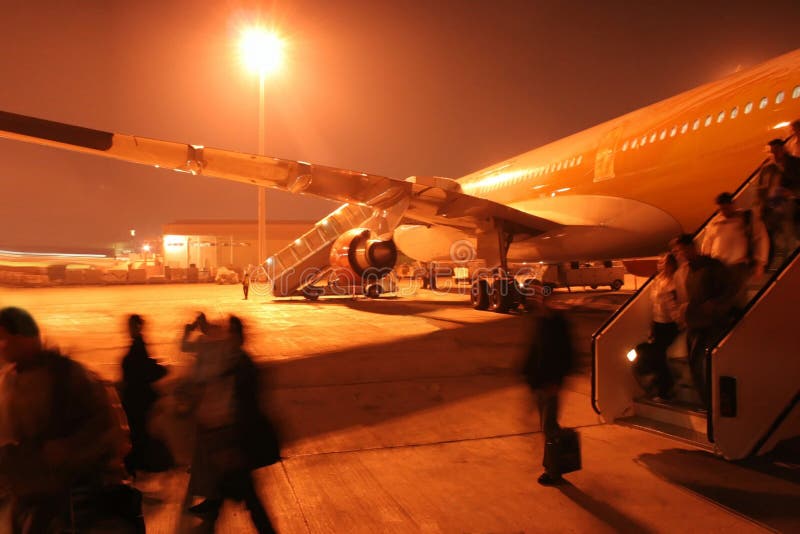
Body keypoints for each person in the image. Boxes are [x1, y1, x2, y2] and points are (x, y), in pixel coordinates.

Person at [0, 307, 144, 532]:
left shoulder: (68, 376)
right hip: (32, 501)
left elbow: (107, 429)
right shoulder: (9, 381)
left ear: (26, 338)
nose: (2, 347)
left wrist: (60, 452)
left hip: (76, 501)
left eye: (5, 339)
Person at [186, 316, 278, 533]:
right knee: (236, 490)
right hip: (233, 440)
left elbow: (245, 408)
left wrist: (232, 445)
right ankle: (211, 511)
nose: (226, 337)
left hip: (238, 442)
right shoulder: (235, 360)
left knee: (248, 497)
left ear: (237, 336)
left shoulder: (242, 364)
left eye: (230, 333)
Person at [671, 235, 736, 408]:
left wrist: (715, 305)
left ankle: (712, 403)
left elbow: (730, 289)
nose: (679, 254)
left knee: (703, 364)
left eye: (681, 250)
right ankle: (708, 402)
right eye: (676, 252)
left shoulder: (713, 267)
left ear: (692, 247)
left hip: (711, 324)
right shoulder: (685, 272)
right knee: (695, 364)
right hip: (693, 323)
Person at [522, 295, 574, 486]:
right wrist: (526, 375)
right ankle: (553, 465)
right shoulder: (541, 321)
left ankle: (554, 472)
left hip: (550, 384)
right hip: (538, 382)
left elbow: (566, 354)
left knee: (550, 428)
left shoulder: (557, 323)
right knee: (549, 428)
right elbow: (534, 351)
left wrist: (557, 381)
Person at [120, 314, 172, 477]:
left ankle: (136, 466)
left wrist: (158, 369)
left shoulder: (138, 346)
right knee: (139, 432)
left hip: (137, 398)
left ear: (137, 327)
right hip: (138, 397)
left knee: (138, 432)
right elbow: (146, 368)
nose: (128, 329)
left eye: (131, 326)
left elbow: (141, 369)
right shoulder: (139, 345)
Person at [700, 192, 769, 309]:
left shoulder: (746, 218)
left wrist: (760, 262)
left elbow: (760, 238)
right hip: (719, 267)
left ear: (733, 204)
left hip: (738, 266)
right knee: (721, 297)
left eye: (726, 208)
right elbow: (707, 245)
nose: (724, 211)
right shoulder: (714, 223)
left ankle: (739, 317)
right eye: (721, 209)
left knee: (737, 297)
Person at [634, 253, 681, 400]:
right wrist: (651, 325)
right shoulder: (657, 281)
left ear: (672, 265)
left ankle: (664, 388)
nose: (661, 265)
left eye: (665, 263)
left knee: (658, 356)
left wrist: (680, 323)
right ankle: (662, 385)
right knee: (651, 354)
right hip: (658, 323)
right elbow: (654, 306)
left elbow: (674, 305)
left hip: (670, 324)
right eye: (660, 263)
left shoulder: (673, 282)